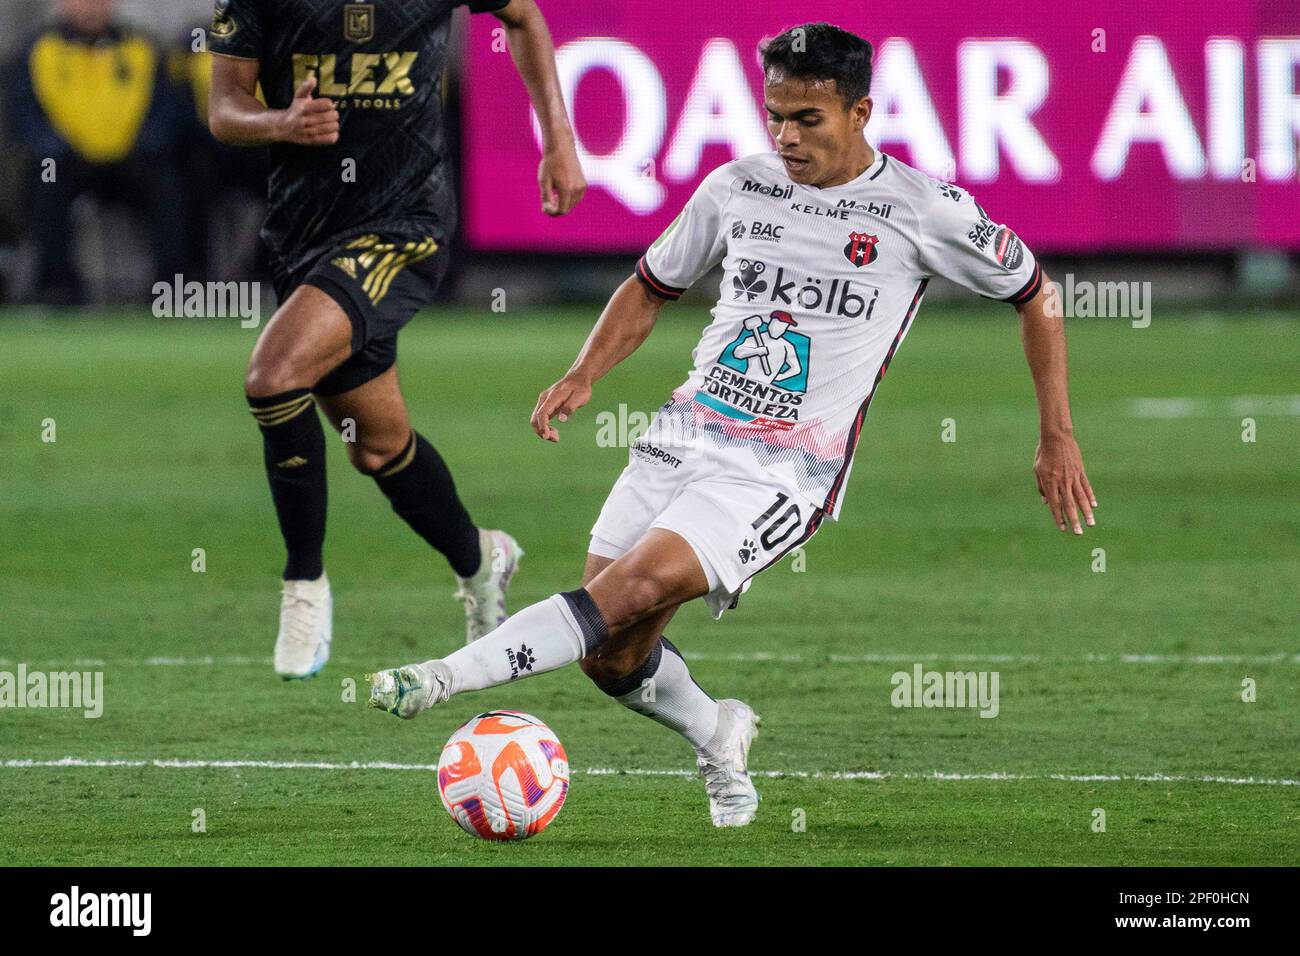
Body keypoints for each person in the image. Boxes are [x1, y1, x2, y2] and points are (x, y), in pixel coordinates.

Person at [368, 23, 1097, 828]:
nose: (785, 136)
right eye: (775, 115)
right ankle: (718, 731)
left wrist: (1056, 433)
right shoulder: (735, 187)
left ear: (861, 112)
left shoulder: (924, 211)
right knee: (613, 656)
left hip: (785, 471)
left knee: (620, 593)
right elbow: (652, 285)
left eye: (808, 120)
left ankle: (441, 678)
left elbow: (1036, 291)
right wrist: (584, 371)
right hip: (683, 436)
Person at [207, 0, 586, 678]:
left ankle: (305, 585)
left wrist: (558, 139)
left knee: (273, 374)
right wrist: (280, 122)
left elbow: (524, 15)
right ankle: (480, 560)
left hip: (405, 225)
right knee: (377, 448)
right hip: (303, 235)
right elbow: (225, 107)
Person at [5, 0, 185, 304]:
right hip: (67, 160)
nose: (91, 7)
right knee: (45, 178)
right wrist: (55, 147)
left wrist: (146, 143)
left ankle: (170, 285)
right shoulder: (35, 50)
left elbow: (166, 109)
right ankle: (59, 286)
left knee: (170, 178)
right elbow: (24, 116)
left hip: (132, 160)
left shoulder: (142, 47)